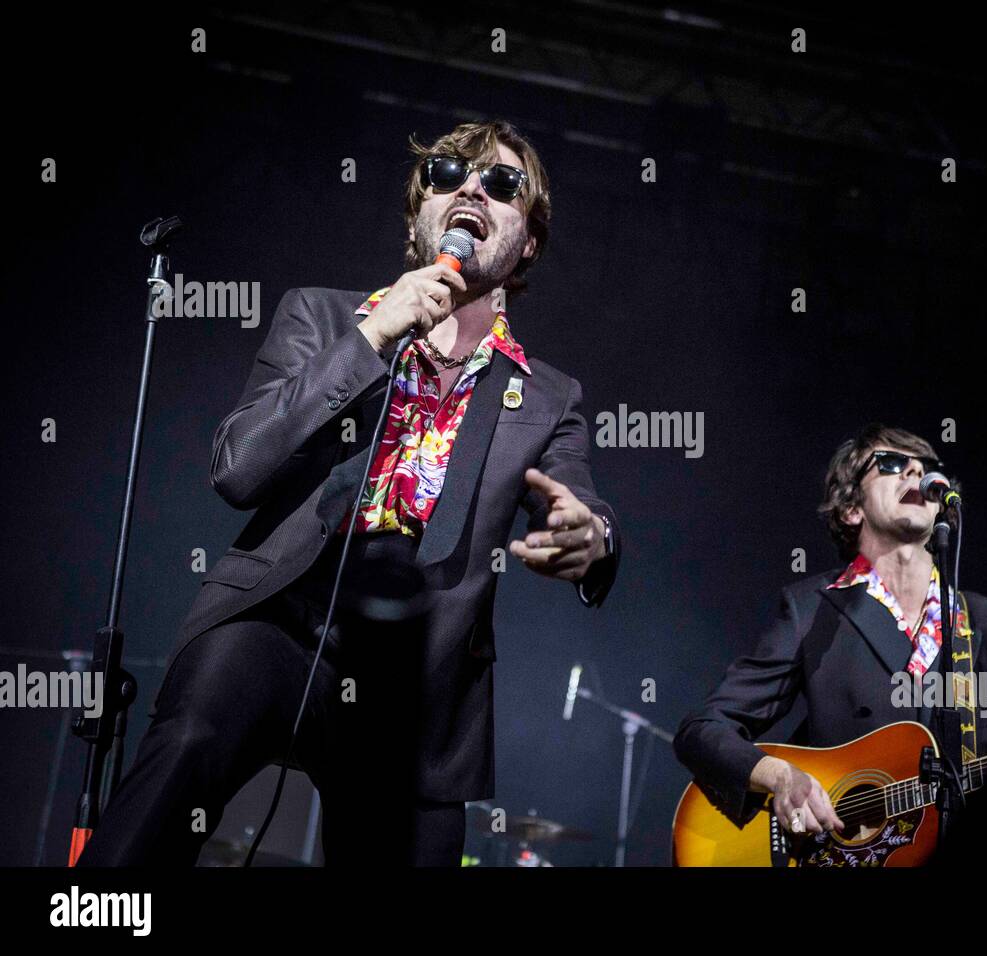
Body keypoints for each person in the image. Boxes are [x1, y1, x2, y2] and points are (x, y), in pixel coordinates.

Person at [79, 120, 619, 866]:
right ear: (419, 212)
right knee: (187, 748)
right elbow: (238, 469)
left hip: (417, 672)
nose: (471, 189)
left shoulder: (549, 395)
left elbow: (580, 502)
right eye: (448, 174)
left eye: (501, 185)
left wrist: (592, 537)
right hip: (278, 620)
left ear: (528, 241)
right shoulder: (323, 315)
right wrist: (370, 338)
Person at [673, 423, 987, 843]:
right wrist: (779, 776)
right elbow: (704, 729)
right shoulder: (811, 609)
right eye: (890, 463)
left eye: (925, 468)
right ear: (851, 508)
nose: (915, 472)